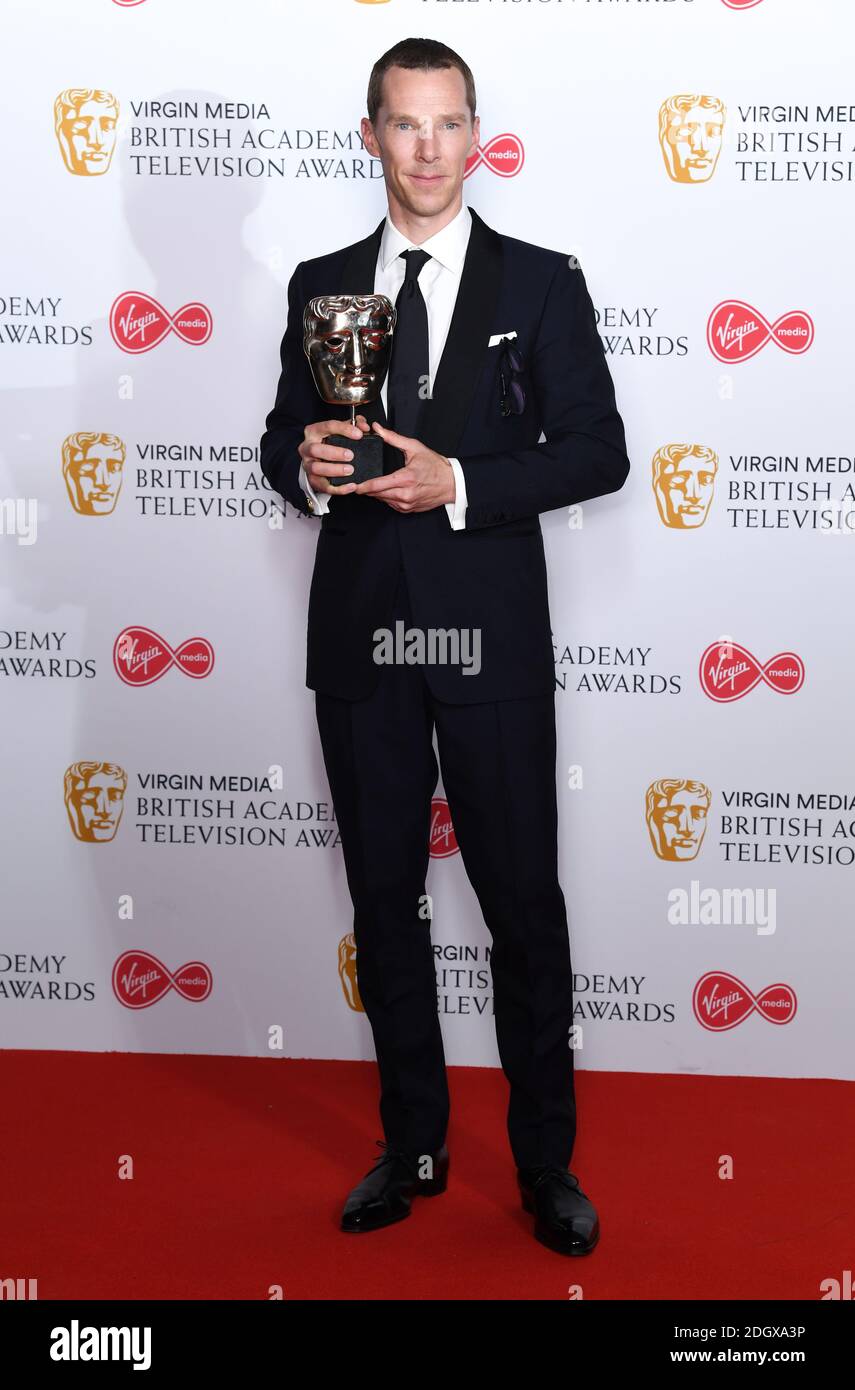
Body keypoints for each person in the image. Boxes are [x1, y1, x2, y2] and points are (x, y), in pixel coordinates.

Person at [260, 36, 630, 1256]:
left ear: (478, 137)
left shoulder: (540, 283)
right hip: (362, 637)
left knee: (523, 905)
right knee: (385, 901)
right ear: (370, 135)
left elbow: (598, 452)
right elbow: (278, 440)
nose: (427, 149)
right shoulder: (321, 284)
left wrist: (459, 480)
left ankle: (545, 1165)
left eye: (449, 124)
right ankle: (412, 1143)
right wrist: (307, 471)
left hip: (488, 642)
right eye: (404, 125)